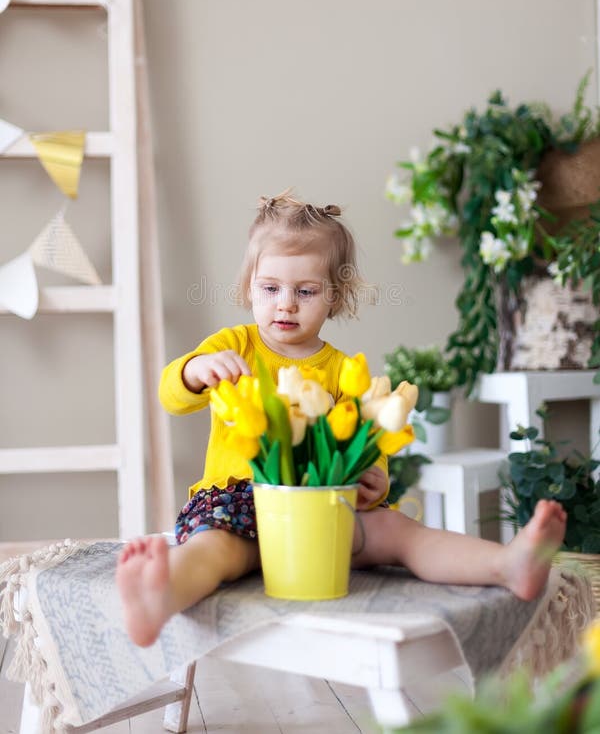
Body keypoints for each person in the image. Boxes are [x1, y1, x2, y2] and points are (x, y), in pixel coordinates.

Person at [117, 191, 567, 647]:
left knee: (399, 532)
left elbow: (366, 438)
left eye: (305, 291)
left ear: (334, 296)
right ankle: (159, 596)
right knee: (211, 551)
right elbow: (170, 395)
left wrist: (375, 477)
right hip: (239, 508)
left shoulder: (342, 370)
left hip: (323, 513)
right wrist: (195, 371)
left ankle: (506, 565)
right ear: (249, 287)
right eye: (270, 289)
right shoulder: (234, 346)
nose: (286, 304)